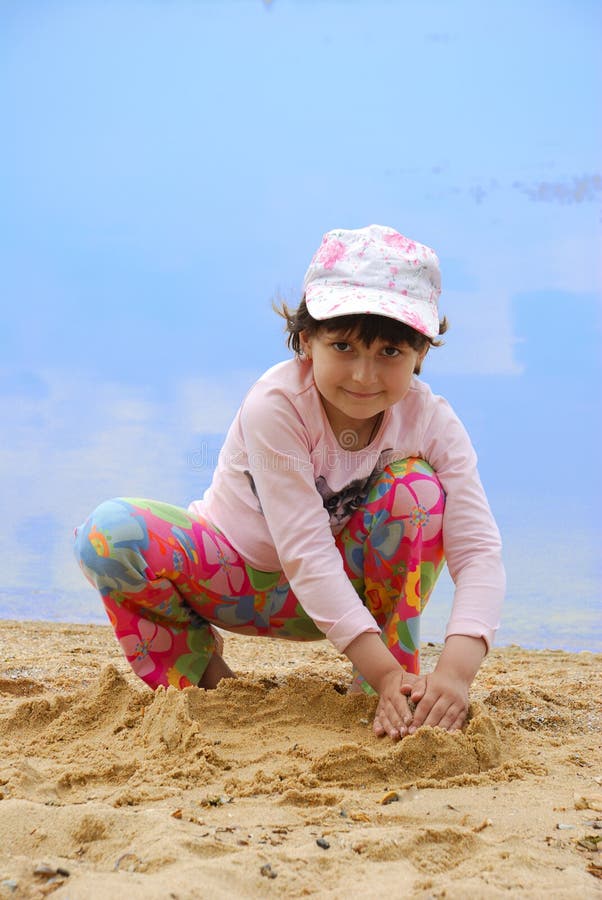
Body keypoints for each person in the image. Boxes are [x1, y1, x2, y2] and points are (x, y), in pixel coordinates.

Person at [73, 224, 505, 741]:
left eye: (390, 352)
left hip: (346, 597)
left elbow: (477, 549)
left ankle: (387, 683)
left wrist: (455, 674)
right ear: (306, 341)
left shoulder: (431, 421)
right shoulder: (276, 405)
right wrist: (385, 673)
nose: (364, 375)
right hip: (233, 579)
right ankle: (205, 676)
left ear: (421, 354)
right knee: (108, 534)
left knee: (418, 490)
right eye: (343, 346)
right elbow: (304, 550)